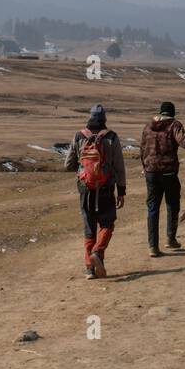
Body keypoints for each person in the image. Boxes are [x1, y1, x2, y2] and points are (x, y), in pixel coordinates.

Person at [64, 104, 126, 278]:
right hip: (106, 187)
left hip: (86, 188)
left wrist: (82, 168)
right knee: (107, 223)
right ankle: (98, 253)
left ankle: (90, 269)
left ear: (90, 117)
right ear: (104, 118)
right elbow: (119, 166)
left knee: (89, 229)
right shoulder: (112, 137)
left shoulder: (79, 136)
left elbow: (68, 165)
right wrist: (121, 190)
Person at [139, 101, 185, 257]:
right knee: (172, 204)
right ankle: (170, 238)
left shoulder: (147, 126)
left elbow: (142, 149)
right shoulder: (174, 125)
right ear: (172, 113)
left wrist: (146, 167)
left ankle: (153, 246)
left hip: (151, 172)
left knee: (153, 208)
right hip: (168, 172)